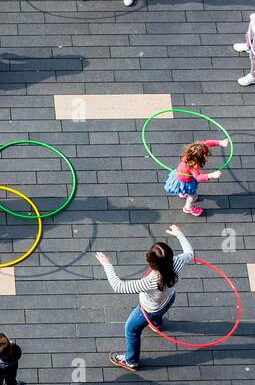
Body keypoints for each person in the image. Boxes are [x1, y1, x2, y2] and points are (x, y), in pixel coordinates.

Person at [97, 225, 194, 372]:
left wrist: (107, 265)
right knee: (158, 312)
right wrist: (179, 234)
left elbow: (119, 286)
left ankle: (131, 361)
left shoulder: (149, 282)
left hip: (149, 308)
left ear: (152, 265)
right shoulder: (178, 262)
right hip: (168, 299)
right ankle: (156, 325)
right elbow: (190, 253)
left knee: (131, 329)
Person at [164, 139, 226, 216]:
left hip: (179, 176)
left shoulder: (192, 151)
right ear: (200, 159)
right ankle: (188, 208)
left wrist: (220, 142)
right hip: (186, 182)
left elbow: (207, 143)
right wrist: (211, 175)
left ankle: (183, 193)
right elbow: (198, 177)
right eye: (206, 155)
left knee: (183, 188)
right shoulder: (193, 166)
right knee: (192, 196)